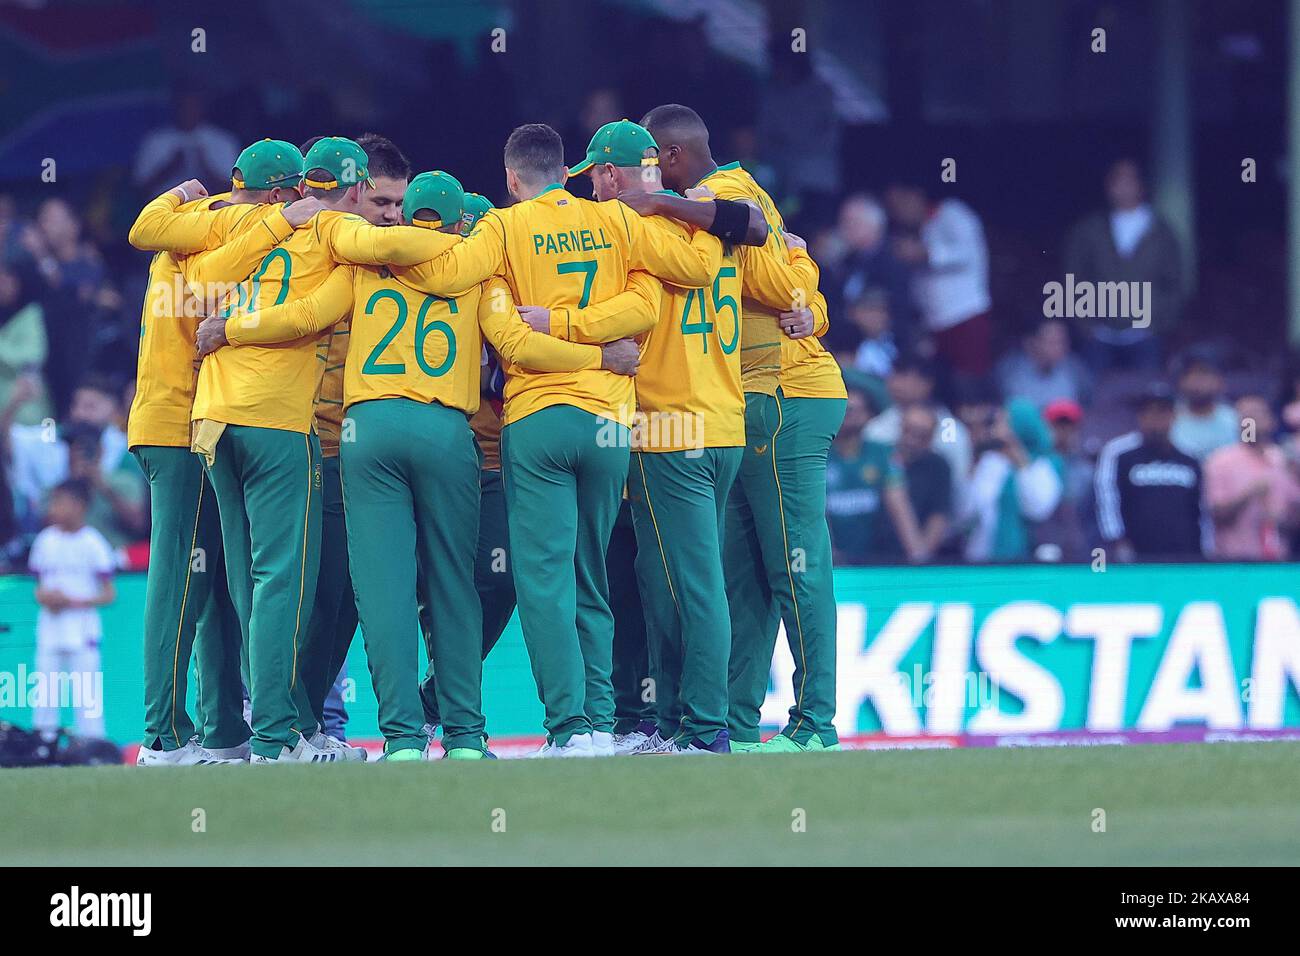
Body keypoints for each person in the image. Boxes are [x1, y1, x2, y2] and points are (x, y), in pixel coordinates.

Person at [199, 169, 639, 760]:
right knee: (455, 587)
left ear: (407, 216)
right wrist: (599, 355)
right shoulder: (474, 269)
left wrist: (229, 328)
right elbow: (518, 347)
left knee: (383, 593)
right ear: (460, 221)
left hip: (368, 430)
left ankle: (403, 740)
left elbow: (303, 316)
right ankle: (463, 738)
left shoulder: (362, 263)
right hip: (447, 433)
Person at [388, 123, 724, 757]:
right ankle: (601, 722)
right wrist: (600, 350)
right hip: (609, 424)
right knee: (593, 574)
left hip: (538, 419)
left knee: (544, 581)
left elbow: (491, 317)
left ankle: (569, 728)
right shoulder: (618, 222)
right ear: (567, 170)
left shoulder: (500, 231)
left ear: (512, 179)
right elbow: (649, 304)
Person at [186, 136, 459, 764]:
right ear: (359, 187)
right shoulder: (341, 233)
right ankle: (277, 734)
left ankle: (269, 726)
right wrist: (469, 237)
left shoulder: (260, 219)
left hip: (213, 418)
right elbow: (323, 303)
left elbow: (200, 278)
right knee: (286, 583)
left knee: (246, 581)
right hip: (279, 421)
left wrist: (228, 322)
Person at [642, 103, 846, 754]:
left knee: (794, 563)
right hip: (755, 398)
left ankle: (815, 722)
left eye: (651, 162)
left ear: (673, 156)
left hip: (785, 391)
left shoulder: (721, 194)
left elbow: (771, 272)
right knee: (747, 573)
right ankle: (734, 719)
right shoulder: (732, 186)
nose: (647, 177)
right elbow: (792, 272)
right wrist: (808, 291)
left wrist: (802, 296)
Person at [125, 143, 324, 765]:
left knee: (209, 581)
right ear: (279, 193)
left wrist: (180, 193)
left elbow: (145, 227)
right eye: (293, 194)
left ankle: (220, 730)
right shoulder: (250, 228)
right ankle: (163, 736)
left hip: (184, 419)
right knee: (180, 579)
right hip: (183, 424)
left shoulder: (194, 221)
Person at [1064, 158, 1183, 371]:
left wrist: (1157, 324)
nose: (1123, 187)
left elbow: (1174, 283)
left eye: (1129, 180)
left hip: (1146, 334)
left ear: (1141, 185)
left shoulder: (1160, 231)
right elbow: (1073, 276)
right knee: (1096, 397)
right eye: (1117, 181)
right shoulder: (1090, 229)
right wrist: (1086, 324)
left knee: (1145, 395)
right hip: (1098, 335)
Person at [29, 481, 115, 740]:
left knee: (86, 691)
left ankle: (93, 744)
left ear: (80, 506)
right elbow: (37, 588)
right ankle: (43, 745)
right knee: (46, 690)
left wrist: (73, 601)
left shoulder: (93, 542)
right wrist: (46, 597)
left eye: (61, 502)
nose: (55, 508)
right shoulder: (45, 540)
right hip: (50, 627)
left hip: (82, 628)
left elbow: (109, 593)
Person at [885, 177, 991, 377]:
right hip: (933, 321)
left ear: (916, 196)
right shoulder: (915, 231)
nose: (898, 212)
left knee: (969, 380)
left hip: (966, 315)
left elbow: (967, 252)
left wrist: (926, 253)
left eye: (901, 204)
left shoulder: (952, 213)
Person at [1095, 384, 1205, 561]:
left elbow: (1201, 507)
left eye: (1163, 412)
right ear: (1140, 417)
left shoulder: (1190, 456)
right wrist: (1116, 540)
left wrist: (1205, 548)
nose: (1157, 419)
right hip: (1136, 554)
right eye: (1150, 412)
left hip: (1185, 554)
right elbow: (1107, 498)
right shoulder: (1118, 453)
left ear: (1173, 416)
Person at [958, 398, 1063, 562]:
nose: (995, 429)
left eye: (1002, 422)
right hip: (981, 558)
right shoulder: (990, 461)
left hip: (1027, 561)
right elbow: (965, 511)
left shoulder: (1045, 464)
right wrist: (973, 458)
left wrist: (1019, 460)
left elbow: (1038, 510)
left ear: (1021, 426)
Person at [825, 388, 921, 564]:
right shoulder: (818, 455)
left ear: (869, 415)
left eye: (855, 409)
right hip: (831, 561)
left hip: (877, 559)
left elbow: (900, 506)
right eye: (844, 408)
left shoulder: (883, 453)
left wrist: (918, 558)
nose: (849, 414)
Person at [1203, 394, 1300, 560]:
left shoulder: (1283, 459)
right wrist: (1248, 495)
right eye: (1246, 416)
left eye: (1257, 414)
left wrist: (1279, 520)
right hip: (1233, 561)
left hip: (1279, 561)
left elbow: (1295, 516)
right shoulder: (1220, 461)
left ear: (1271, 420)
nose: (1251, 421)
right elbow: (1216, 516)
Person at [877, 403, 952, 562]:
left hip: (917, 555)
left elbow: (939, 514)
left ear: (931, 437)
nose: (912, 440)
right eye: (908, 431)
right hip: (873, 553)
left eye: (921, 435)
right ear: (900, 427)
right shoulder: (880, 457)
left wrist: (921, 559)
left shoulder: (938, 466)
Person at [995, 317, 1093, 410]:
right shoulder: (1010, 371)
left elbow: (1087, 405)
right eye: (1052, 342)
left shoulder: (1074, 368)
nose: (1060, 348)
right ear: (1030, 343)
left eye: (1062, 341)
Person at [1170, 355, 1238, 462]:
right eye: (1190, 374)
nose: (1198, 380)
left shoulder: (1239, 419)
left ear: (1220, 381)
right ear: (1180, 382)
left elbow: (1252, 452)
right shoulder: (1167, 419)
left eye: (1204, 373)